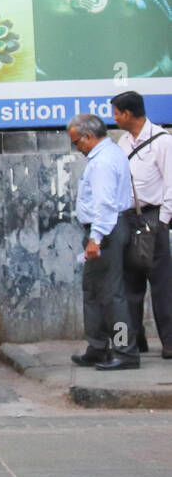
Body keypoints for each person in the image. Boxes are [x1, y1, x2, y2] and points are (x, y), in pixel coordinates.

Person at [68, 113, 139, 370]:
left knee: (112, 296)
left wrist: (95, 238)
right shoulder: (111, 153)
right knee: (94, 291)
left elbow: (105, 205)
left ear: (88, 137)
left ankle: (125, 350)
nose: (77, 147)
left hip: (105, 232)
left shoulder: (103, 162)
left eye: (77, 142)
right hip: (106, 230)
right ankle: (97, 346)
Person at [111, 91, 172, 358]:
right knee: (130, 284)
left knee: (161, 285)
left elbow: (171, 183)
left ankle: (169, 342)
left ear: (127, 114)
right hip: (127, 218)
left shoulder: (162, 141)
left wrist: (163, 221)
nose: (113, 118)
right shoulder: (122, 142)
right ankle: (134, 341)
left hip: (153, 217)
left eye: (116, 112)